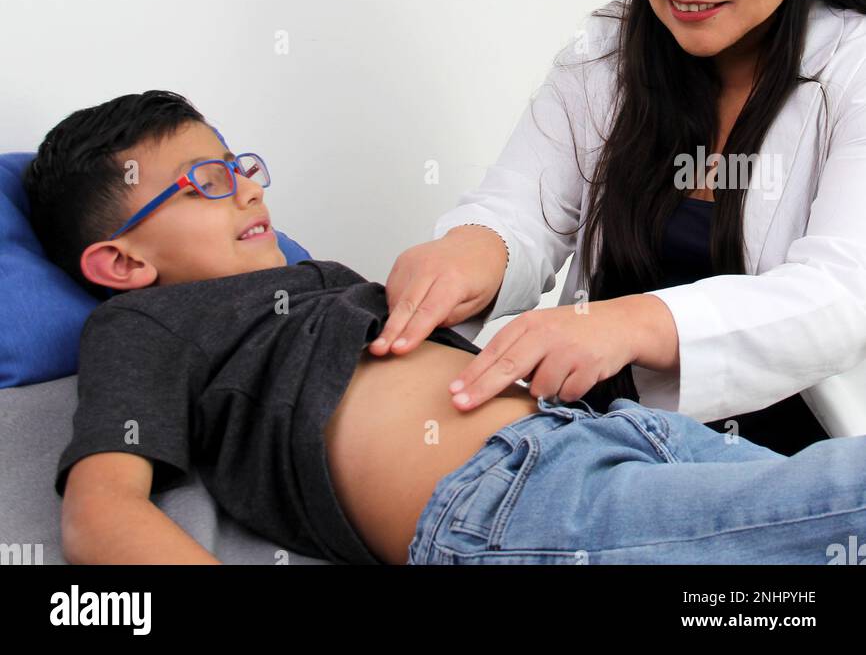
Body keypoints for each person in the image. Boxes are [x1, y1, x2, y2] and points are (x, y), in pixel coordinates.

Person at [26, 93, 866, 565]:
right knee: (832, 505)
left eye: (240, 164)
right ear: (121, 262)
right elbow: (101, 515)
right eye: (204, 181)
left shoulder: (318, 281)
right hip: (501, 504)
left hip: (616, 433)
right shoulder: (143, 323)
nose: (246, 187)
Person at [372, 0, 866, 457]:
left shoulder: (852, 67)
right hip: (602, 441)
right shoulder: (607, 52)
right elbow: (521, 210)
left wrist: (627, 325)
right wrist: (469, 252)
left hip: (787, 462)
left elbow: (839, 299)